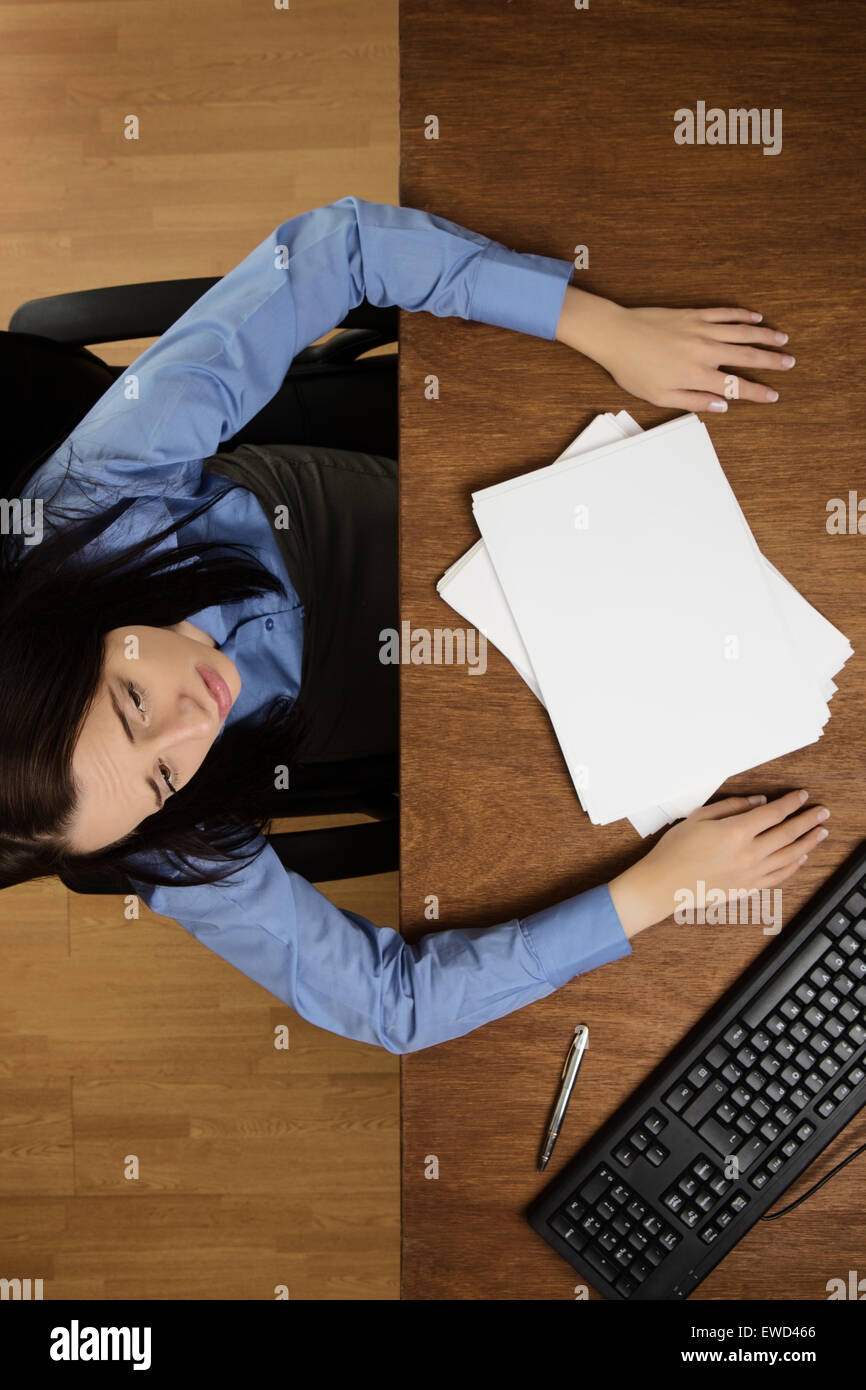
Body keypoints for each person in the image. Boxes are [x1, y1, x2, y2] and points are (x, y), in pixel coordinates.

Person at [0, 195, 827, 1054]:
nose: (195, 721)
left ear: (67, 628)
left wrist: (601, 327)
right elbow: (391, 1010)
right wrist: (659, 890)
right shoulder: (154, 840)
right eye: (165, 778)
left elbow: (340, 247)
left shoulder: (94, 496)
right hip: (400, 704)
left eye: (133, 701)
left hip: (366, 512)